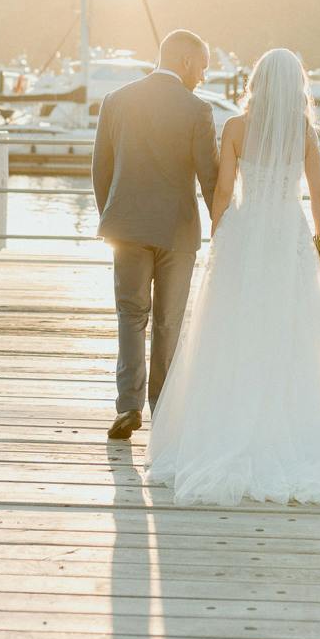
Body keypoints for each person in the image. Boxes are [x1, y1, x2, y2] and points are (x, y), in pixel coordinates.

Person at [147, 48, 320, 506]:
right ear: (296, 85)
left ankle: (226, 424)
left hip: (246, 230)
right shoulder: (303, 132)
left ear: (257, 81)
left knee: (232, 328)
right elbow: (319, 195)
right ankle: (294, 432)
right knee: (291, 330)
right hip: (287, 234)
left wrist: (219, 234)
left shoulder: (236, 127)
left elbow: (223, 189)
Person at [91, 29, 218, 441]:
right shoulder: (197, 109)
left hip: (126, 228)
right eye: (202, 67)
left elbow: (101, 169)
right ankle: (163, 409)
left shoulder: (116, 100)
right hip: (177, 233)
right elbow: (210, 178)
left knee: (130, 316)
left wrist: (114, 216)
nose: (203, 76)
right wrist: (223, 227)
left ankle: (128, 406)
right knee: (168, 321)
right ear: (185, 61)